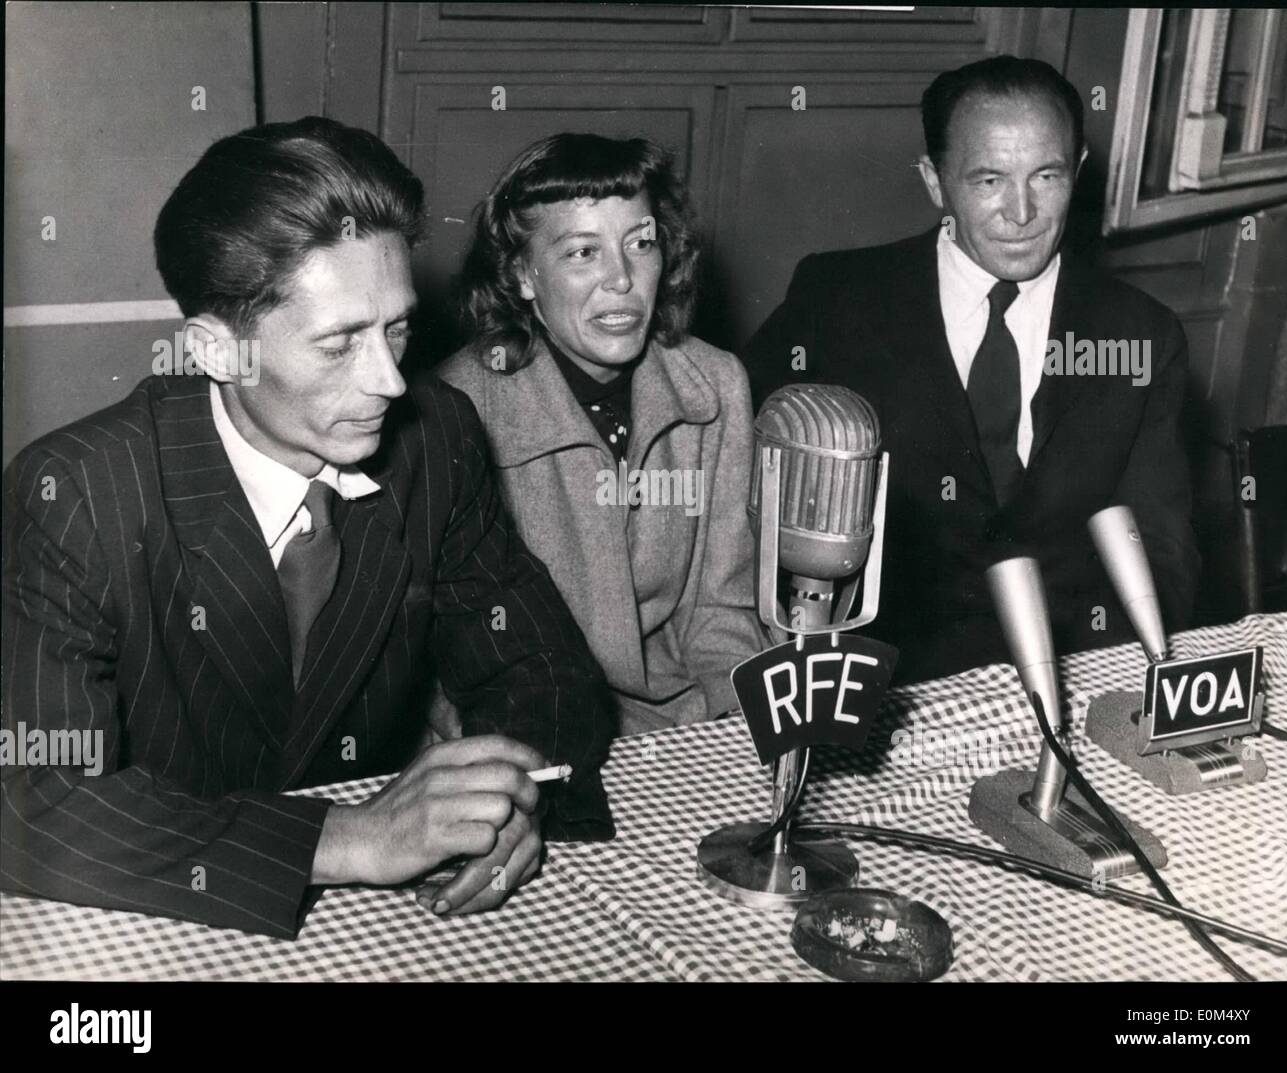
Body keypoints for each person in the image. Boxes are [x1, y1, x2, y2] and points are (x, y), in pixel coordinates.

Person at [0, 117, 616, 938]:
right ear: (216, 351)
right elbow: (33, 798)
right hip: (154, 914)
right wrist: (353, 837)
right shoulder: (77, 492)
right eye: (339, 344)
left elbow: (541, 665)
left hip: (384, 921)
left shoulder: (437, 436)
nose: (390, 379)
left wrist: (507, 796)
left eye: (397, 326)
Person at [742, 56, 1199, 683]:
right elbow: (744, 502)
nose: (1022, 212)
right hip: (881, 681)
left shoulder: (1142, 333)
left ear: (1078, 171)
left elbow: (1163, 553)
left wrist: (1097, 687)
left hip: (1075, 670)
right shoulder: (837, 301)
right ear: (935, 182)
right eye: (989, 180)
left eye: (1047, 176)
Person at [438, 133, 767, 735]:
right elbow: (446, 655)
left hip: (678, 715)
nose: (621, 279)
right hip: (523, 723)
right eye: (583, 252)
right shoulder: (457, 406)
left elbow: (722, 612)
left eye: (641, 244)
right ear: (523, 273)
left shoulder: (715, 384)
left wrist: (739, 729)